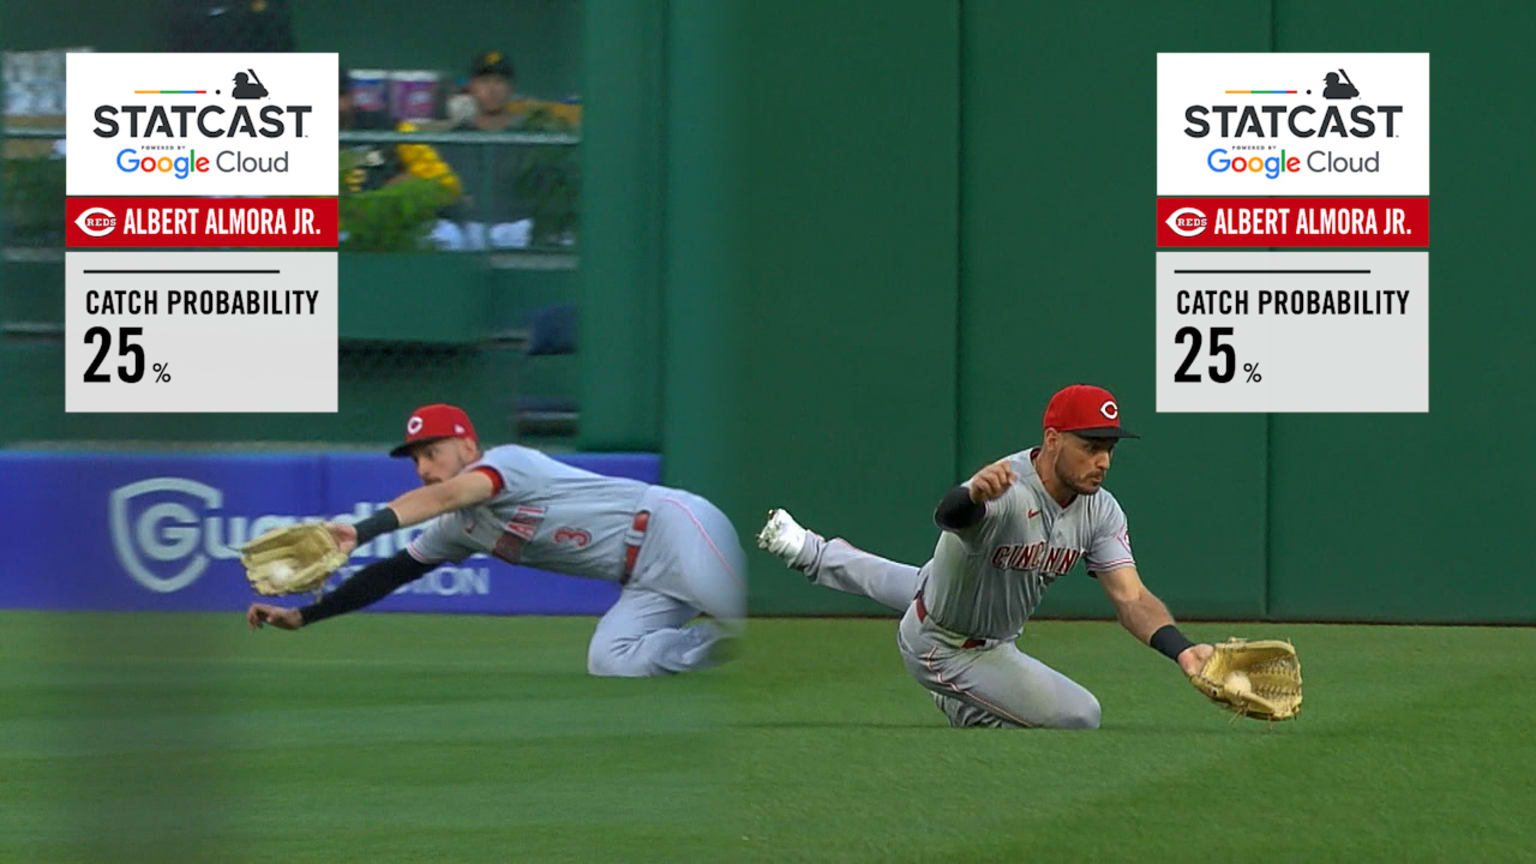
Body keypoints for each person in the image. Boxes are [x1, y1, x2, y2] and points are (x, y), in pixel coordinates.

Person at [756, 384, 1214, 728]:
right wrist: (972, 494)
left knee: (929, 580)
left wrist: (1183, 650)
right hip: (945, 645)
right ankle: (960, 700)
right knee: (1081, 716)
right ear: (1053, 440)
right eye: (1091, 447)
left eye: (1109, 449)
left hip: (960, 604)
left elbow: (1131, 598)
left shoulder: (1101, 510)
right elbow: (949, 516)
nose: (1104, 461)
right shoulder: (1007, 487)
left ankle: (809, 551)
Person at [247, 403, 744, 678]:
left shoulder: (508, 463)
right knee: (609, 660)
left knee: (742, 610)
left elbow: (446, 495)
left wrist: (360, 530)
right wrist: (304, 616)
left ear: (468, 445)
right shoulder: (458, 529)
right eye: (416, 460)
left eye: (432, 452)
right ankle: (720, 649)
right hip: (643, 580)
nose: (423, 468)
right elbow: (390, 574)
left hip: (674, 528)